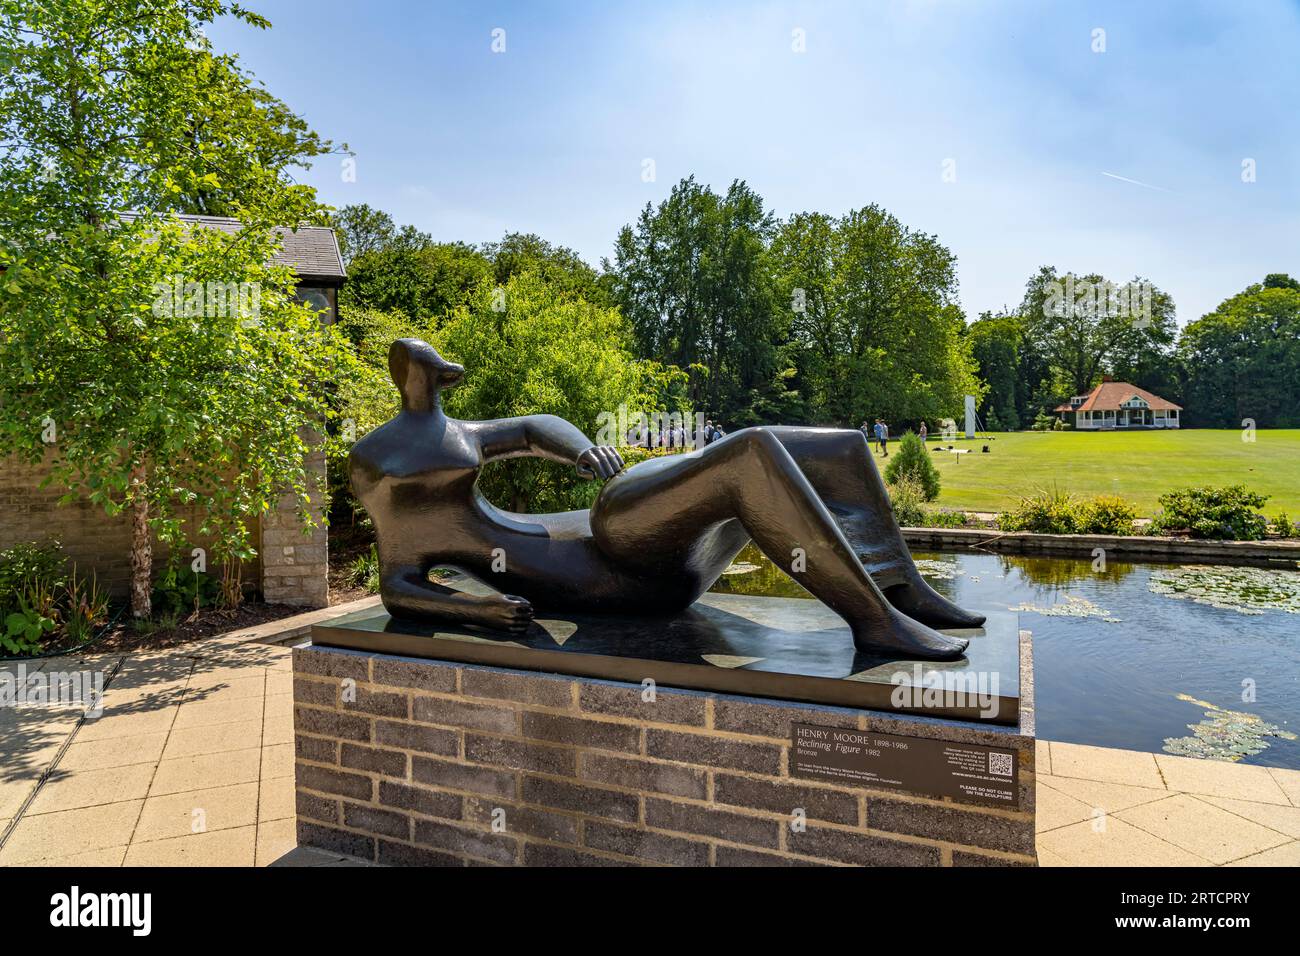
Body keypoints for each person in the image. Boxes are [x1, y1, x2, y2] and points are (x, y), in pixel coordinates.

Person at [350, 339, 982, 660]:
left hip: (630, 539)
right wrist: (480, 615)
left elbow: (532, 426)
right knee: (751, 454)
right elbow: (397, 588)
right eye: (429, 372)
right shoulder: (380, 463)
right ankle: (874, 622)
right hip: (615, 562)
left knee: (838, 448)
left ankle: (901, 588)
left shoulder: (460, 433)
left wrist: (579, 451)